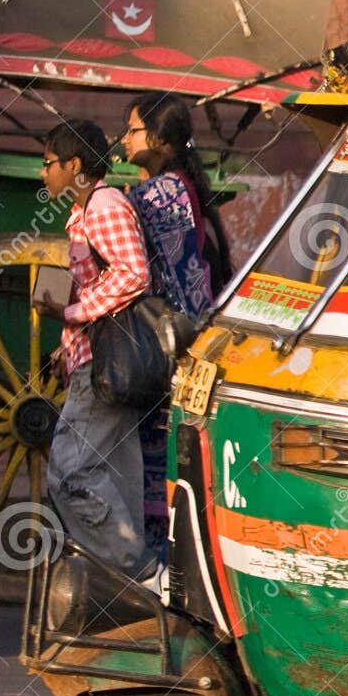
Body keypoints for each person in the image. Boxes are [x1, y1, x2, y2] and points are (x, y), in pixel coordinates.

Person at [33, 120, 152, 578]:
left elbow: (133, 274)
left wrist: (73, 313)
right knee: (115, 476)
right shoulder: (85, 211)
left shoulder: (103, 206)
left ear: (74, 165)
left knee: (69, 473)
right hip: (95, 360)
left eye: (49, 164)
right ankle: (132, 582)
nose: (44, 174)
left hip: (104, 365)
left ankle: (134, 571)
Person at [118, 93, 217, 563]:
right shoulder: (175, 185)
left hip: (168, 341)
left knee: (157, 450)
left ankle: (159, 566)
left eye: (132, 130)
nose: (124, 138)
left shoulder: (163, 193)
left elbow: (115, 217)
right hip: (177, 336)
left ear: (158, 139)